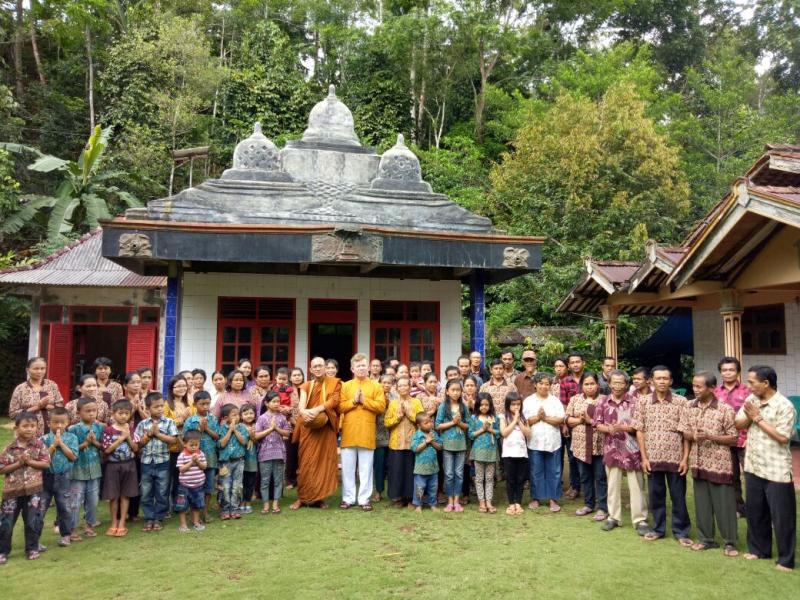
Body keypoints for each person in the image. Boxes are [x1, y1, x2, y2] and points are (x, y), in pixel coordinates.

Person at [734, 365, 797, 571]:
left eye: (752, 382)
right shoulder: (751, 401)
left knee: (782, 517)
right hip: (753, 466)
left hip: (776, 470)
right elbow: (739, 424)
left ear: (766, 383)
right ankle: (759, 550)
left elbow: (782, 437)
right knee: (756, 512)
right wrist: (748, 416)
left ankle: (786, 560)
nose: (748, 386)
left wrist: (758, 418)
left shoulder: (784, 406)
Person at [632, 365, 692, 546]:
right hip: (652, 458)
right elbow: (639, 431)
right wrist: (644, 458)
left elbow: (686, 433)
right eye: (658, 378)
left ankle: (681, 532)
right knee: (656, 496)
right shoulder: (642, 402)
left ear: (671, 381)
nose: (662, 382)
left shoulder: (681, 402)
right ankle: (658, 528)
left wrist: (685, 459)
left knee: (678, 497)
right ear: (651, 381)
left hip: (675, 458)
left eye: (666, 378)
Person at [681, 372, 738, 556]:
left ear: (712, 389)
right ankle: (706, 539)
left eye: (699, 386)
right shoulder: (689, 406)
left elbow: (734, 438)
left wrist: (711, 436)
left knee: (724, 504)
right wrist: (693, 436)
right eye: (694, 385)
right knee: (702, 504)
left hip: (719, 464)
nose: (695, 389)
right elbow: (685, 433)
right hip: (698, 462)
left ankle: (730, 542)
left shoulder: (725, 409)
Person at [594, 370, 648, 534]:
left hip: (632, 450)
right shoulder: (603, 402)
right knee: (612, 485)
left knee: (636, 486)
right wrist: (609, 429)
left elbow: (640, 426)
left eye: (620, 382)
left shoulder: (635, 402)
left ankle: (640, 520)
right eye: (614, 382)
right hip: (611, 449)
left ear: (626, 384)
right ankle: (614, 517)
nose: (617, 385)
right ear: (609, 384)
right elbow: (597, 424)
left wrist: (624, 427)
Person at [290, 357, 341, 510]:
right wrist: (305, 413)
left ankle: (320, 498)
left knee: (323, 463)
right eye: (315, 367)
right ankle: (302, 497)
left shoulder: (334, 383)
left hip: (325, 429)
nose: (318, 368)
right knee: (305, 463)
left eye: (320, 366)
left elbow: (334, 401)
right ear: (310, 370)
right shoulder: (306, 385)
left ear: (325, 368)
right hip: (309, 429)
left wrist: (316, 410)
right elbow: (301, 405)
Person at [0, 412, 51, 563]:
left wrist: (29, 462)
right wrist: (18, 463)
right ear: (16, 428)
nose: (29, 429)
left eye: (32, 426)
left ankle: (32, 548)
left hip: (34, 491)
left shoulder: (39, 445)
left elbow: (46, 464)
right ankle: (2, 551)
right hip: (12, 493)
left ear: (37, 427)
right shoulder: (10, 448)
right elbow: (1, 469)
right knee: (6, 523)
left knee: (32, 521)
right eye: (25, 426)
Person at [339, 353, 387, 511]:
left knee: (366, 469)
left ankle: (364, 499)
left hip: (367, 431)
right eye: (358, 366)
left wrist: (364, 401)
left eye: (363, 365)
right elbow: (339, 407)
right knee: (348, 468)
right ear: (352, 368)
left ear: (368, 368)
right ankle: (348, 498)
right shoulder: (345, 386)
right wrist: (353, 401)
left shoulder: (376, 386)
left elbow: (381, 407)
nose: (361, 368)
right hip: (349, 431)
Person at [134, 392, 178, 533]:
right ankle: (148, 518)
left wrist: (158, 434)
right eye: (156, 407)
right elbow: (137, 444)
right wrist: (149, 435)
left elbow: (174, 440)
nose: (159, 409)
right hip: (146, 462)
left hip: (163, 462)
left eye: (161, 406)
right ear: (148, 409)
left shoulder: (169, 422)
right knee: (146, 491)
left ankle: (158, 518)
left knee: (162, 491)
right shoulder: (142, 424)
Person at [566, 372, 608, 521]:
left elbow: (607, 422)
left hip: (599, 445)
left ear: (597, 384)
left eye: (592, 384)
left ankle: (603, 507)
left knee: (600, 476)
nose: (589, 387)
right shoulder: (575, 399)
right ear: (581, 386)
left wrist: (590, 421)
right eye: (586, 384)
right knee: (585, 476)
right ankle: (589, 504)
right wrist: (579, 420)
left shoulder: (604, 400)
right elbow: (567, 420)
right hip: (580, 444)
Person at [522, 372, 564, 513]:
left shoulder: (555, 401)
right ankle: (536, 498)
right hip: (534, 441)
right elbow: (525, 421)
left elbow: (560, 420)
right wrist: (538, 418)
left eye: (547, 384)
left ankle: (553, 499)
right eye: (541, 383)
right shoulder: (528, 401)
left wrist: (545, 418)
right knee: (536, 471)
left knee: (555, 471)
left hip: (553, 441)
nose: (544, 386)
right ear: (535, 384)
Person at [714, 356, 750, 518]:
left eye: (731, 370)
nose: (728, 373)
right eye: (724, 370)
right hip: (724, 442)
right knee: (731, 476)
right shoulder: (714, 392)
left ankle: (755, 509)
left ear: (738, 372)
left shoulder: (748, 391)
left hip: (745, 440)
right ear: (720, 372)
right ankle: (738, 508)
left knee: (751, 477)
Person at [39, 407, 78, 547]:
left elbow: (73, 457)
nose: (59, 426)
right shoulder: (43, 439)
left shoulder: (72, 438)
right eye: (55, 422)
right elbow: (42, 459)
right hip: (46, 477)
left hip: (64, 477)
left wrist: (61, 443)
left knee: (65, 507)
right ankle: (35, 540)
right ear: (49, 423)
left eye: (62, 422)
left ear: (68, 422)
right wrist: (53, 445)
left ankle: (66, 535)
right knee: (41, 507)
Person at [101, 400, 139, 537]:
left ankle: (122, 523)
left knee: (125, 494)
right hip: (112, 466)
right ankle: (113, 523)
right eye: (120, 413)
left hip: (129, 465)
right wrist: (120, 438)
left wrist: (128, 437)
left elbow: (135, 448)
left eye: (126, 413)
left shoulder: (131, 429)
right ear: (113, 414)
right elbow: (106, 450)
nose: (123, 416)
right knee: (113, 496)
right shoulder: (108, 430)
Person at [68, 397, 103, 540]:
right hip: (77, 471)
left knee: (93, 500)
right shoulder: (73, 429)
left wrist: (94, 442)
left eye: (94, 410)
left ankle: (89, 525)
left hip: (94, 470)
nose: (91, 414)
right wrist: (85, 444)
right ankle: (72, 529)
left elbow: (104, 447)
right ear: (78, 413)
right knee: (75, 501)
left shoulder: (99, 427)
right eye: (87, 411)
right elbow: (70, 450)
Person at [384, 377, 423, 507]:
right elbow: (387, 422)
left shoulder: (416, 402)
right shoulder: (393, 403)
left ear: (410, 387)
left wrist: (409, 413)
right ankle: (398, 498)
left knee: (410, 472)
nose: (402, 388)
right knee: (396, 472)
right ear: (396, 388)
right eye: (400, 386)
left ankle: (411, 498)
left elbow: (421, 421)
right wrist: (398, 417)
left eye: (405, 385)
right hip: (396, 444)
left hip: (412, 443)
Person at [182, 391, 219, 523]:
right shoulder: (190, 420)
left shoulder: (213, 419)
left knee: (208, 487)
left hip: (209, 457)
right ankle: (193, 511)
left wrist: (207, 429)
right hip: (193, 458)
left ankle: (205, 512)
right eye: (202, 404)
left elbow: (217, 436)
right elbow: (185, 438)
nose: (205, 406)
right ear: (194, 404)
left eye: (207, 403)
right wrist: (200, 430)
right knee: (195, 486)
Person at [254, 392, 291, 514]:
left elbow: (287, 433)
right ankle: (265, 504)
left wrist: (276, 429)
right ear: (266, 403)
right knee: (265, 480)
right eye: (273, 401)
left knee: (278, 480)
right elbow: (257, 435)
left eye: (278, 401)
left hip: (279, 453)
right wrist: (270, 429)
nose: (276, 404)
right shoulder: (262, 418)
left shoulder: (282, 417)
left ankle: (275, 503)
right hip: (265, 454)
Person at [9, 356, 64, 437]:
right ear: (27, 370)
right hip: (28, 434)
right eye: (36, 368)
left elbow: (61, 408)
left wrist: (48, 406)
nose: (39, 371)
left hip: (51, 433)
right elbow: (13, 414)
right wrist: (38, 406)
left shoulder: (52, 385)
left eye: (42, 368)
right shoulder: (20, 389)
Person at [164, 374, 195, 506]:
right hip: (172, 447)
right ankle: (167, 506)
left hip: (188, 447)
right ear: (172, 388)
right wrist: (181, 418)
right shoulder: (166, 405)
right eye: (178, 386)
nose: (182, 388)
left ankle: (180, 504)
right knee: (169, 478)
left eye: (184, 385)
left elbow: (194, 420)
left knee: (182, 478)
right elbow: (164, 425)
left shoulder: (190, 403)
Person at [500, 392, 530, 516]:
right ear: (508, 405)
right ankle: (511, 503)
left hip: (522, 453)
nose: (516, 407)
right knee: (510, 479)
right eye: (513, 404)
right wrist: (514, 421)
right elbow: (504, 433)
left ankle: (518, 502)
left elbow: (527, 433)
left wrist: (519, 421)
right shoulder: (503, 417)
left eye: (518, 404)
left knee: (520, 479)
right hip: (508, 454)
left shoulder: (524, 417)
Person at [217, 403, 249, 520]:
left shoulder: (242, 428)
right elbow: (221, 444)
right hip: (225, 463)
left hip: (239, 461)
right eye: (233, 415)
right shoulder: (220, 428)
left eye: (237, 415)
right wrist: (230, 431)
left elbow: (244, 442)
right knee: (225, 486)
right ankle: (225, 509)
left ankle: (235, 509)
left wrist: (235, 430)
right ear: (225, 418)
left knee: (237, 486)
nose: (236, 417)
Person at [469, 392, 500, 513]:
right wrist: (482, 429)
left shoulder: (494, 418)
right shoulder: (474, 418)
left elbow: (498, 433)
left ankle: (489, 501)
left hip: (491, 451)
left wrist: (490, 429)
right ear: (477, 405)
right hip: (478, 452)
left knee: (489, 478)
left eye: (487, 405)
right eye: (481, 405)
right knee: (479, 478)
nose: (484, 407)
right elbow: (470, 434)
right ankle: (481, 502)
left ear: (490, 405)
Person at [560, 353, 585, 500]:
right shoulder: (565, 382)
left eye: (578, 361)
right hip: (571, 424)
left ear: (583, 363)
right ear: (569, 365)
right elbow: (563, 404)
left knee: (588, 456)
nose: (575, 364)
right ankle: (575, 486)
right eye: (572, 362)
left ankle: (588, 486)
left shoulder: (589, 379)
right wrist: (565, 424)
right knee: (573, 456)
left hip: (588, 425)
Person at [175, 430, 207, 532]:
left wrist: (197, 461)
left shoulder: (201, 454)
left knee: (196, 505)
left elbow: (204, 467)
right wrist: (191, 462)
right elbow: (181, 469)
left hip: (198, 486)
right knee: (182, 506)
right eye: (191, 445)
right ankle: (183, 525)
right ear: (185, 444)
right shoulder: (182, 455)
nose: (194, 447)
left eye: (196, 445)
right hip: (184, 486)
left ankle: (196, 522)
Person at [410, 413, 442, 513]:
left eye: (430, 421)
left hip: (433, 468)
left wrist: (432, 441)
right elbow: (415, 449)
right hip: (420, 469)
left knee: (433, 488)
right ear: (419, 425)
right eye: (426, 423)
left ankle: (432, 504)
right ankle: (418, 505)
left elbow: (440, 446)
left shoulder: (434, 434)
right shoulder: (417, 435)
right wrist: (426, 442)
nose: (429, 424)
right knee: (419, 487)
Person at [372, 374, 394, 503]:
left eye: (389, 383)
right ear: (379, 383)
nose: (386, 385)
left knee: (391, 467)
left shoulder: (395, 397)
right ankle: (378, 492)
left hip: (392, 437)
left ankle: (393, 493)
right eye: (383, 383)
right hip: (378, 437)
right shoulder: (375, 397)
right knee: (379, 467)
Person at [239, 404, 259, 514]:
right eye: (246, 413)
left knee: (250, 481)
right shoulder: (239, 426)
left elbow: (257, 442)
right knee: (241, 481)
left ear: (255, 415)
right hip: (241, 458)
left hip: (252, 459)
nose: (249, 415)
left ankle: (248, 502)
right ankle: (241, 501)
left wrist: (253, 437)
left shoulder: (257, 426)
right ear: (241, 416)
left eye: (251, 413)